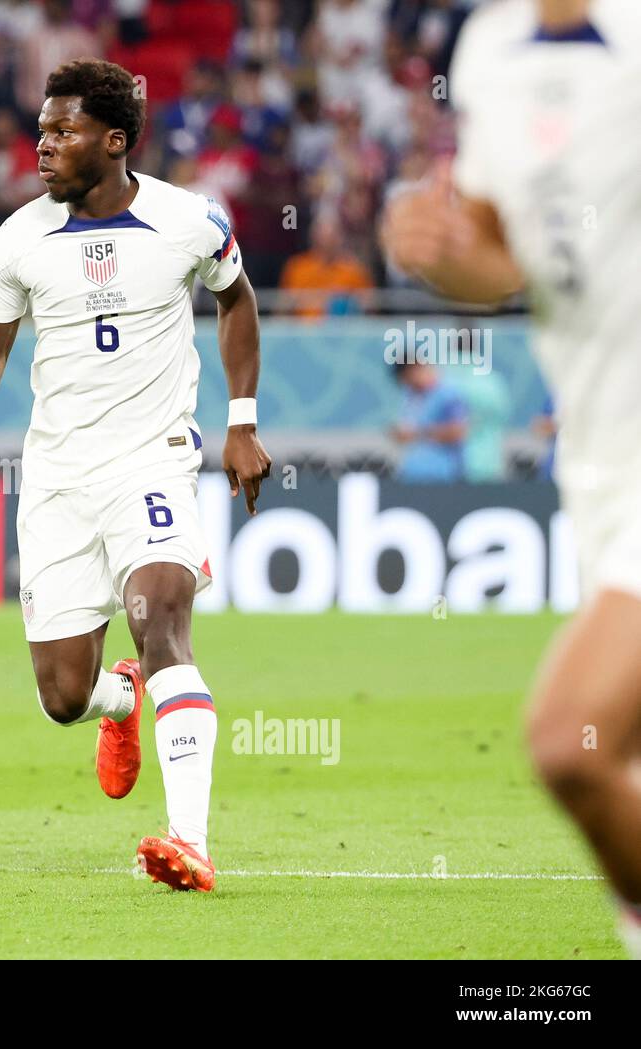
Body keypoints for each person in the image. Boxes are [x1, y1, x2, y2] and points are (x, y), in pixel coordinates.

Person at [0, 58, 271, 892]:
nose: (42, 146)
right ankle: (121, 702)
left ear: (114, 141)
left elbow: (238, 302)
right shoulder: (18, 237)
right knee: (61, 696)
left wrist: (243, 421)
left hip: (151, 463)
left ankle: (191, 840)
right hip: (56, 480)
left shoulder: (189, 221)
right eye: (41, 130)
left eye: (62, 131)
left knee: (164, 626)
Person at [382, 0, 641, 957]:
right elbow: (502, 260)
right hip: (602, 464)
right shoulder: (489, 48)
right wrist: (445, 255)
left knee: (571, 738)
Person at [389, 361, 467, 483]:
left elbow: (458, 431)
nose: (409, 385)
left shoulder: (448, 395)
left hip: (442, 476)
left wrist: (418, 434)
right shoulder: (411, 397)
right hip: (413, 476)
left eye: (408, 379)